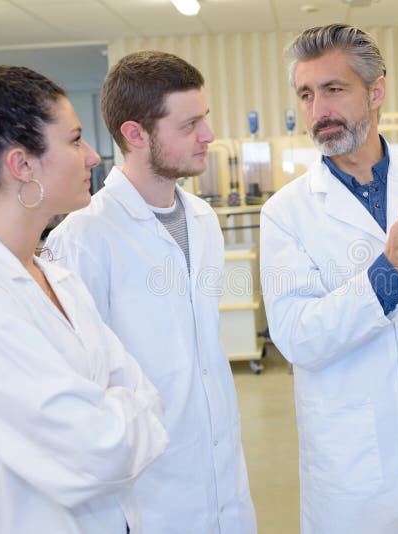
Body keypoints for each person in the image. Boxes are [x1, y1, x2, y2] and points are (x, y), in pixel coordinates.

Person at [0, 60, 169, 534]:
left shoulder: (54, 276)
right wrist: (120, 410)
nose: (92, 156)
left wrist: (118, 413)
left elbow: (147, 399)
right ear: (22, 165)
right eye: (75, 140)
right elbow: (97, 450)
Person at [260, 24, 398, 533]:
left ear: (376, 91)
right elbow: (298, 337)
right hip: (353, 469)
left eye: (334, 89)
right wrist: (389, 274)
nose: (318, 110)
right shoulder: (286, 213)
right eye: (306, 94)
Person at [46, 51, 256, 534]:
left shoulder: (203, 221)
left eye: (205, 118)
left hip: (223, 471)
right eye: (189, 125)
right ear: (136, 135)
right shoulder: (83, 238)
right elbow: (81, 385)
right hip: (147, 491)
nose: (208, 135)